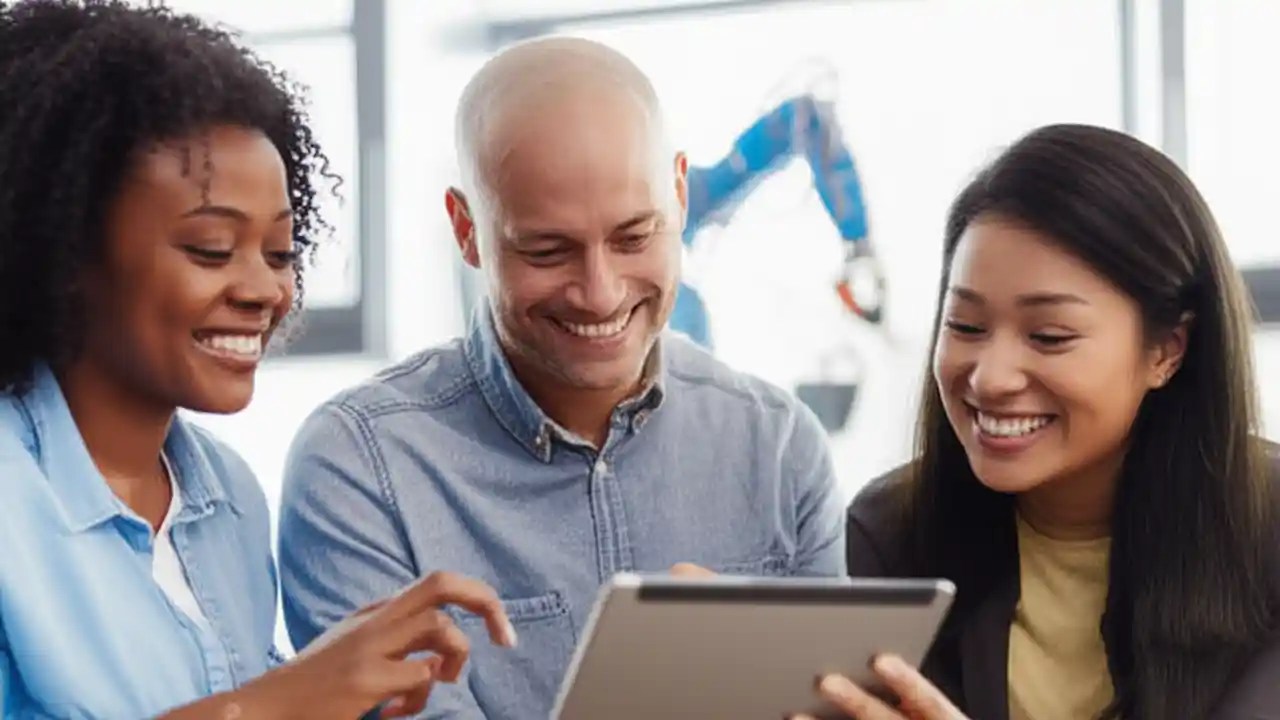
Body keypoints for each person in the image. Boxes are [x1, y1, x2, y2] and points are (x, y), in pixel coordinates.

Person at [277, 36, 846, 719]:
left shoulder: (780, 450)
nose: (601, 294)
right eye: (547, 251)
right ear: (467, 230)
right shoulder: (362, 468)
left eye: (635, 238)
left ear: (681, 193)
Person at [0, 2, 514, 718]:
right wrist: (288, 699)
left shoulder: (227, 496)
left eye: (279, 253)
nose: (264, 290)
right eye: (211, 250)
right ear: (65, 252)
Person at [810, 124, 1280, 720]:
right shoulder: (890, 538)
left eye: (1049, 336)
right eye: (966, 326)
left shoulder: (1267, 540)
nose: (989, 377)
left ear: (1167, 350)